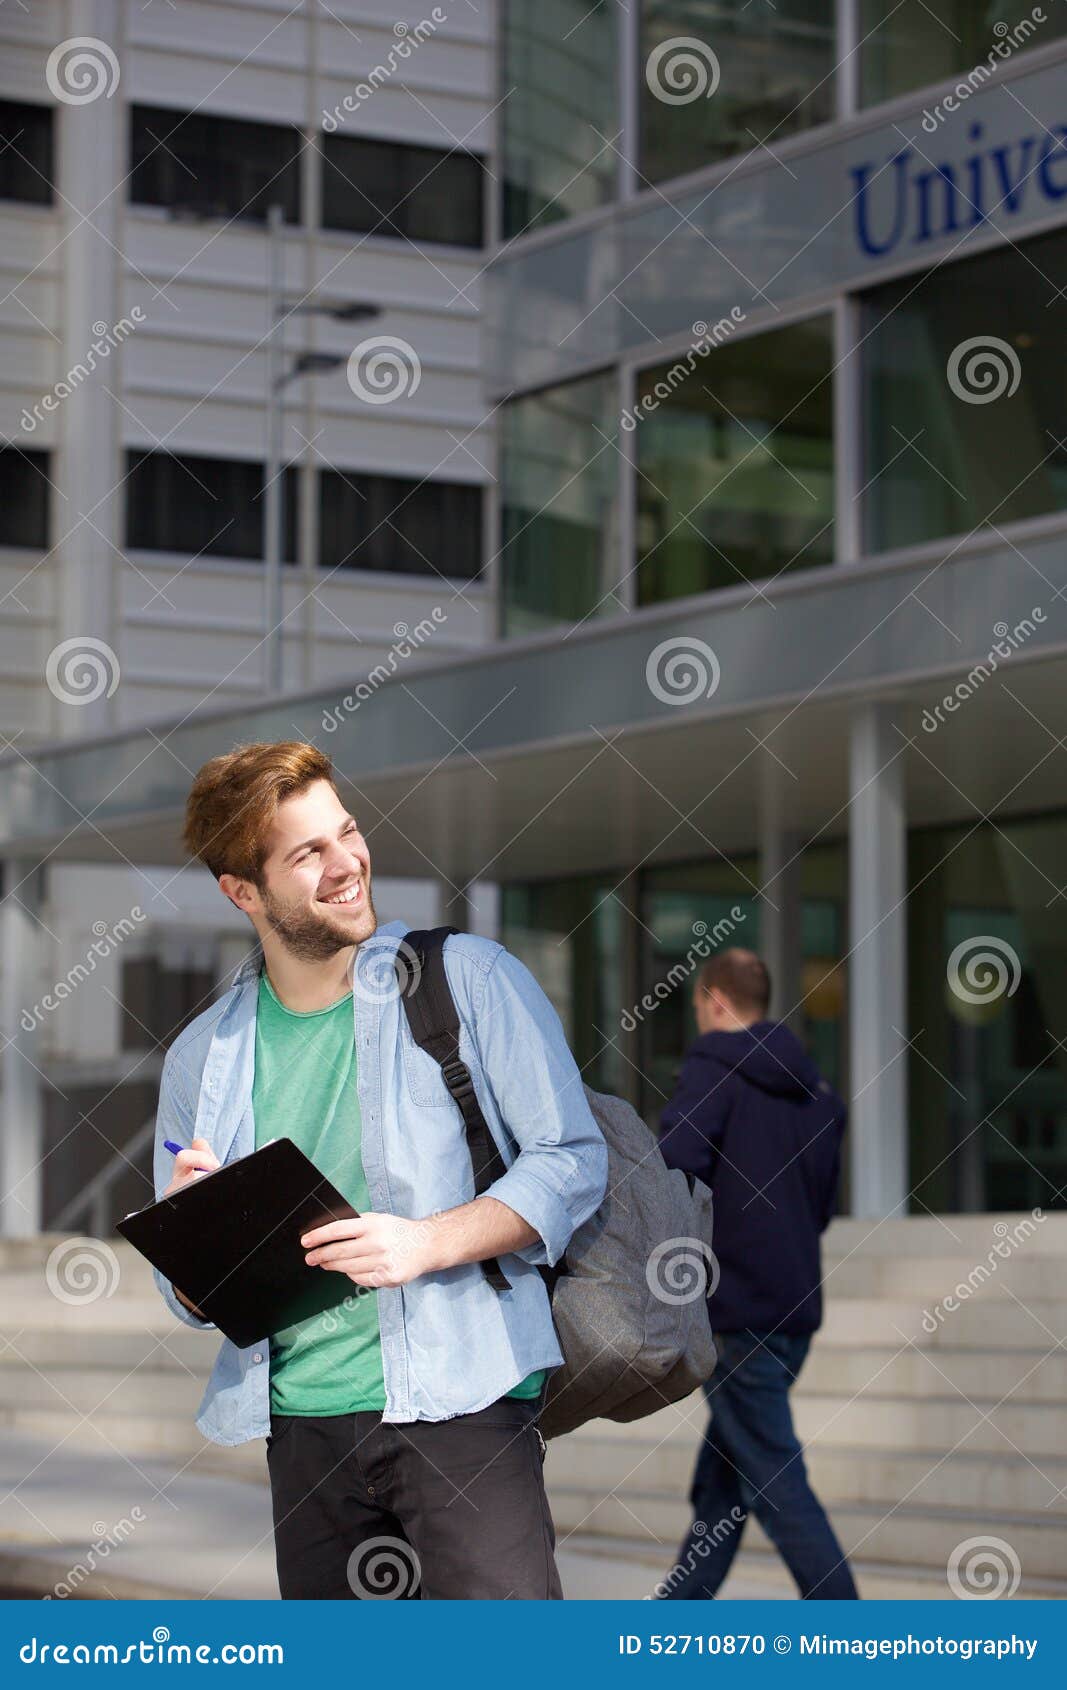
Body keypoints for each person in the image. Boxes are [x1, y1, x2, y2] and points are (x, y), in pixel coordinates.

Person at [152, 739, 607, 1600]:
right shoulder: (200, 1057)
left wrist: (425, 1243)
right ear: (241, 892)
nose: (346, 863)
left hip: (464, 1412)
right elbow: (186, 1302)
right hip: (303, 1431)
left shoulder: (466, 980)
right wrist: (197, 1238)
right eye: (307, 853)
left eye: (347, 833)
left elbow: (572, 1163)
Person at [655, 947, 857, 1600]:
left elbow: (671, 1172)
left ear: (714, 1000)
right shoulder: (815, 1092)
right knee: (725, 1484)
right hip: (793, 1312)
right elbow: (822, 1207)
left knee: (772, 1478)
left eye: (694, 1004)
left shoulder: (710, 1073)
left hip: (736, 1314)